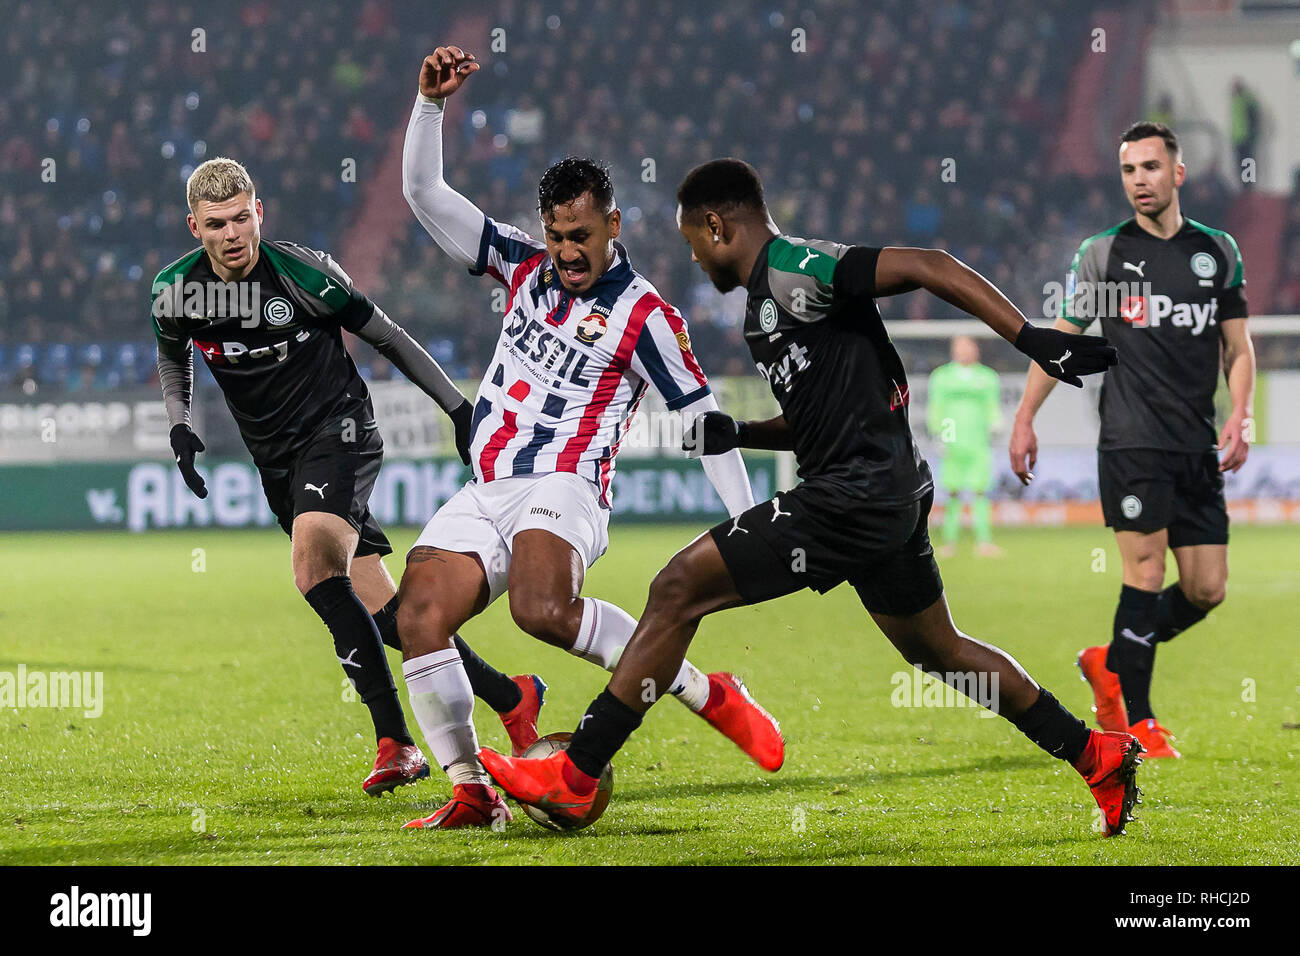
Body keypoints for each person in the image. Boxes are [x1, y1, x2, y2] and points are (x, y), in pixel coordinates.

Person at [479, 157, 1145, 838]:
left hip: (854, 493)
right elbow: (814, 420)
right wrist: (738, 431)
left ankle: (578, 768)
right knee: (939, 650)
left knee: (678, 586)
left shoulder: (797, 267)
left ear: (717, 225)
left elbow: (929, 264)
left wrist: (1029, 339)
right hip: (881, 492)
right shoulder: (763, 312)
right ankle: (1097, 754)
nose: (694, 259)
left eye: (692, 242)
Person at [394, 47, 783, 829]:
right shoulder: (521, 263)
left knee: (539, 611)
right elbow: (422, 191)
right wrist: (429, 106)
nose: (567, 251)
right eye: (556, 234)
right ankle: (475, 792)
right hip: (486, 486)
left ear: (612, 223)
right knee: (417, 617)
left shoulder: (645, 315)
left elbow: (705, 426)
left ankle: (705, 691)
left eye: (580, 234)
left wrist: (744, 525)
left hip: (566, 484)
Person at [152, 156, 473, 796]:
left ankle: (396, 743)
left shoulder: (304, 275)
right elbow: (172, 352)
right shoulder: (177, 291)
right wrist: (179, 423)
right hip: (277, 460)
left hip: (340, 431)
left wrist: (458, 408)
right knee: (386, 615)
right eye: (217, 223)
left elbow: (390, 337)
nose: (233, 234)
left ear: (259, 213)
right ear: (195, 227)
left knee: (313, 570)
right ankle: (511, 696)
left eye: (243, 217)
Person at [1009, 122, 1255, 758]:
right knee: (1144, 573)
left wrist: (1241, 413)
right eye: (1128, 170)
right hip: (1131, 442)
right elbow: (1061, 337)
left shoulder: (1217, 251)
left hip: (1196, 445)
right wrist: (1024, 416)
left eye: (1150, 167)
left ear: (1177, 173)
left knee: (1207, 589)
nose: (1139, 180)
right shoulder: (1104, 254)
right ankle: (1138, 722)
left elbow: (1238, 345)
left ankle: (1112, 660)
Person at [927, 335, 1003, 557]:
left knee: (981, 491)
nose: (964, 351)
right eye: (959, 347)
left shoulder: (987, 377)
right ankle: (949, 542)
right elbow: (936, 407)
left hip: (978, 441)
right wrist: (938, 434)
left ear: (976, 350)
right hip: (952, 441)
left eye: (968, 346)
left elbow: (992, 406)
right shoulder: (941, 377)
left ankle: (984, 541)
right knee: (952, 491)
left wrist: (996, 423)